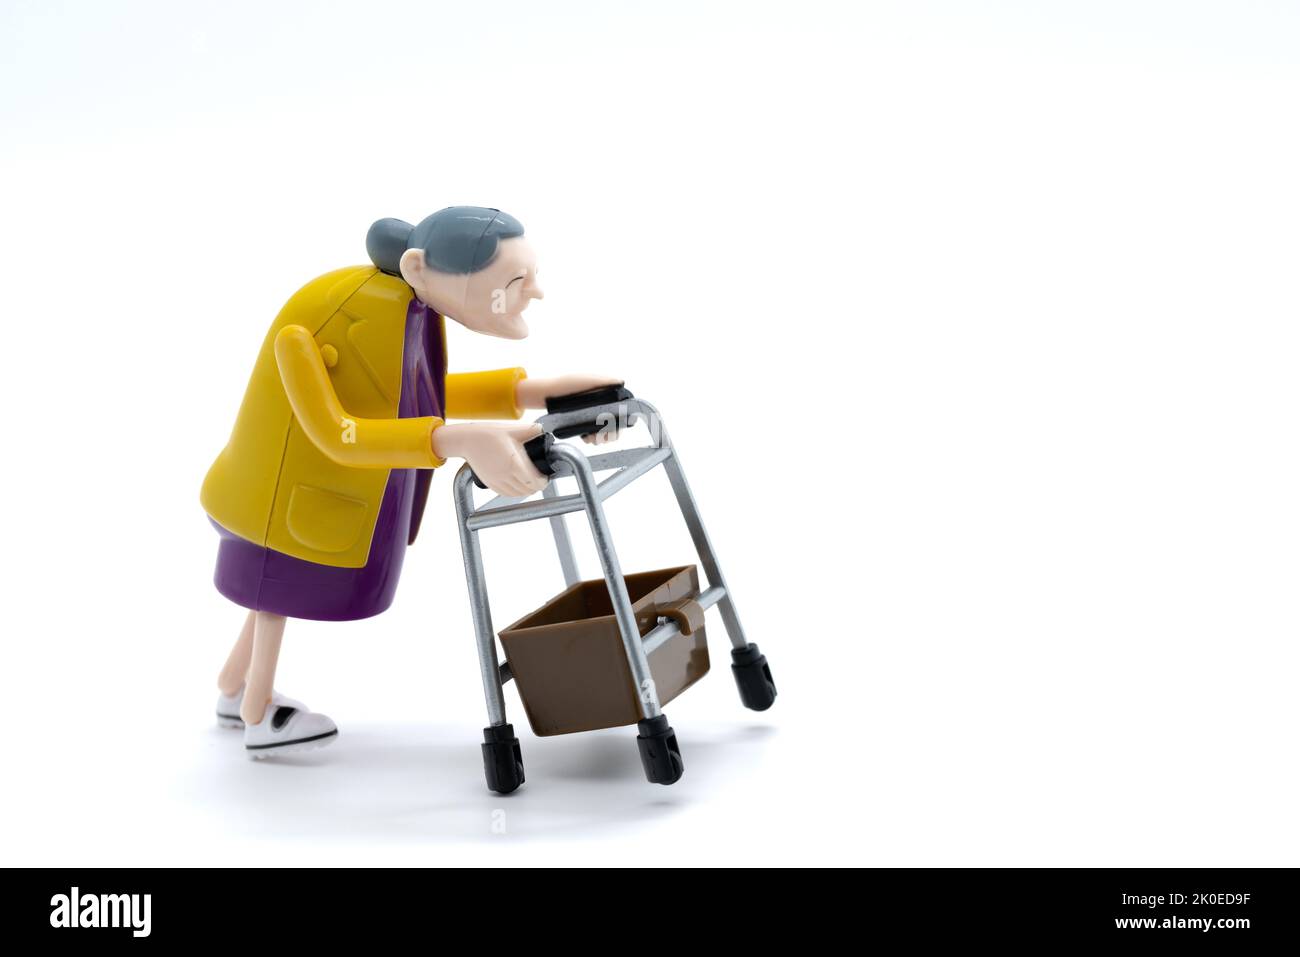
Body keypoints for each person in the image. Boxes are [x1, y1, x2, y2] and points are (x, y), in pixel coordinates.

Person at [201, 207, 618, 755]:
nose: (531, 294)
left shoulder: (407, 306)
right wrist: (459, 439)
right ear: (419, 268)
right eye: (513, 283)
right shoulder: (329, 320)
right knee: (273, 594)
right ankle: (258, 716)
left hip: (302, 495)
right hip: (277, 497)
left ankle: (234, 691)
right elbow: (338, 434)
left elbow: (422, 392)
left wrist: (541, 391)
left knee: (269, 597)